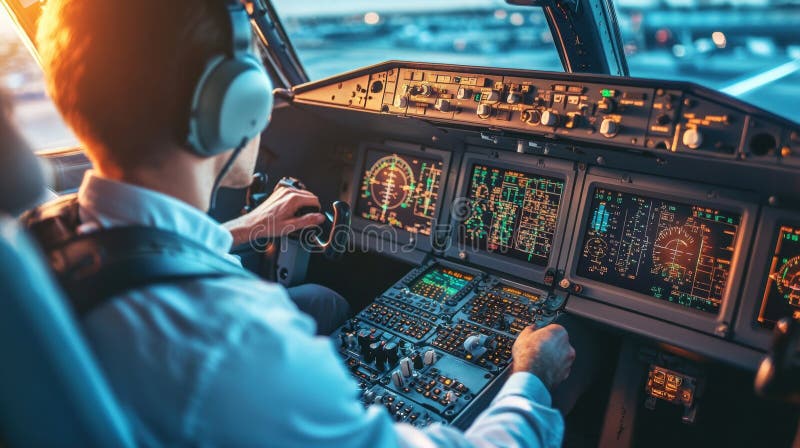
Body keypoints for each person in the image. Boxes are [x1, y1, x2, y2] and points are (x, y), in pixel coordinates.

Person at [31, 1, 576, 446]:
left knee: (322, 300)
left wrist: (242, 230)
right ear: (231, 104)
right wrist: (530, 378)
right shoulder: (238, 338)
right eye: (251, 69)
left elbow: (133, 253)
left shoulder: (39, 234)